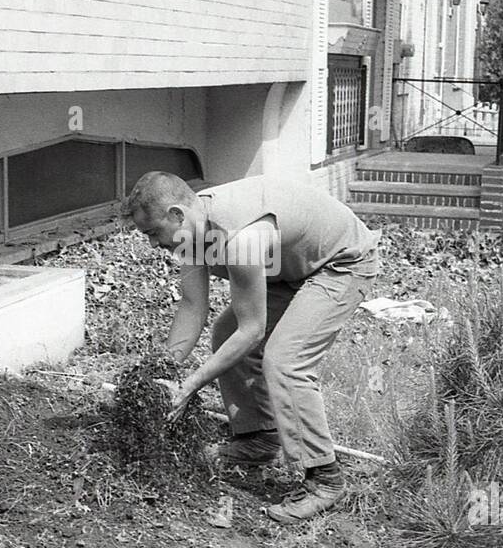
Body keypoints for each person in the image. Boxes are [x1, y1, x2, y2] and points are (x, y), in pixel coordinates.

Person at [119, 171, 380, 523]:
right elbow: (192, 306)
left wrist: (190, 385)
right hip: (287, 269)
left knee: (285, 360)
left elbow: (252, 330)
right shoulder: (194, 228)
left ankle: (324, 479)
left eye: (153, 233)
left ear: (177, 215)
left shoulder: (239, 238)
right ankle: (260, 438)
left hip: (340, 263)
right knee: (225, 332)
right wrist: (164, 369)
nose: (152, 244)